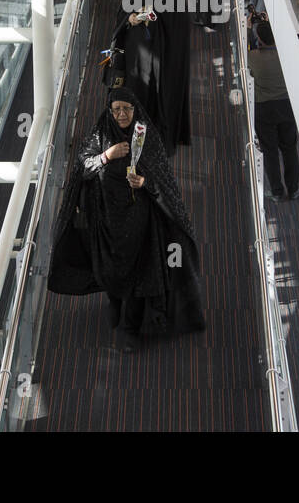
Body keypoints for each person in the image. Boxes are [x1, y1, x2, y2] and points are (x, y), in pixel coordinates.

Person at [46, 87, 206, 351]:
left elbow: (164, 181)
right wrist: (106, 156)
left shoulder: (146, 137)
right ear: (109, 111)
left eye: (127, 109)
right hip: (105, 220)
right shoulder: (101, 134)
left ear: (135, 110)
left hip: (139, 222)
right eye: (117, 109)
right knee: (107, 269)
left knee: (137, 272)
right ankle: (115, 302)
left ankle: (129, 328)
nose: (122, 114)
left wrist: (144, 182)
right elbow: (81, 168)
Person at [109, 0, 192, 153]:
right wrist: (130, 18)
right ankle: (136, 138)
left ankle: (159, 139)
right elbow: (122, 14)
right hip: (138, 57)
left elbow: (180, 25)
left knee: (161, 94)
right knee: (139, 94)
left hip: (164, 56)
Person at [248, 23, 299, 200]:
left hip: (264, 108)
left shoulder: (253, 57)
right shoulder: (286, 55)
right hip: (286, 106)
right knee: (289, 149)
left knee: (269, 151)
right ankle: (293, 189)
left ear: (259, 39)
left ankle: (277, 192)